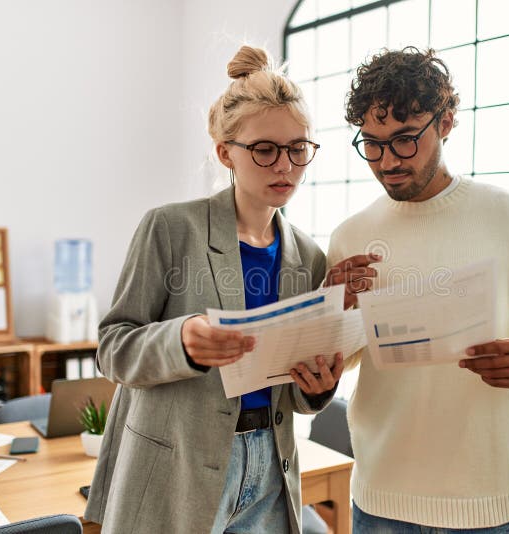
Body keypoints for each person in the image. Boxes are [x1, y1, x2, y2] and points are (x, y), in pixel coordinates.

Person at [84, 45, 344, 534]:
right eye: (264, 149)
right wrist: (181, 340)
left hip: (271, 464)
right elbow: (112, 348)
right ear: (226, 152)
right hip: (176, 464)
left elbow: (297, 394)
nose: (284, 166)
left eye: (298, 149)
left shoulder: (309, 256)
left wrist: (320, 385)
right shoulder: (169, 228)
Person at [325, 47, 509, 533]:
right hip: (382, 499)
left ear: (445, 122)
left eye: (404, 140)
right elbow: (344, 356)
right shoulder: (350, 235)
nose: (386, 162)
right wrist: (333, 309)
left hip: (485, 501)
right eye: (372, 144)